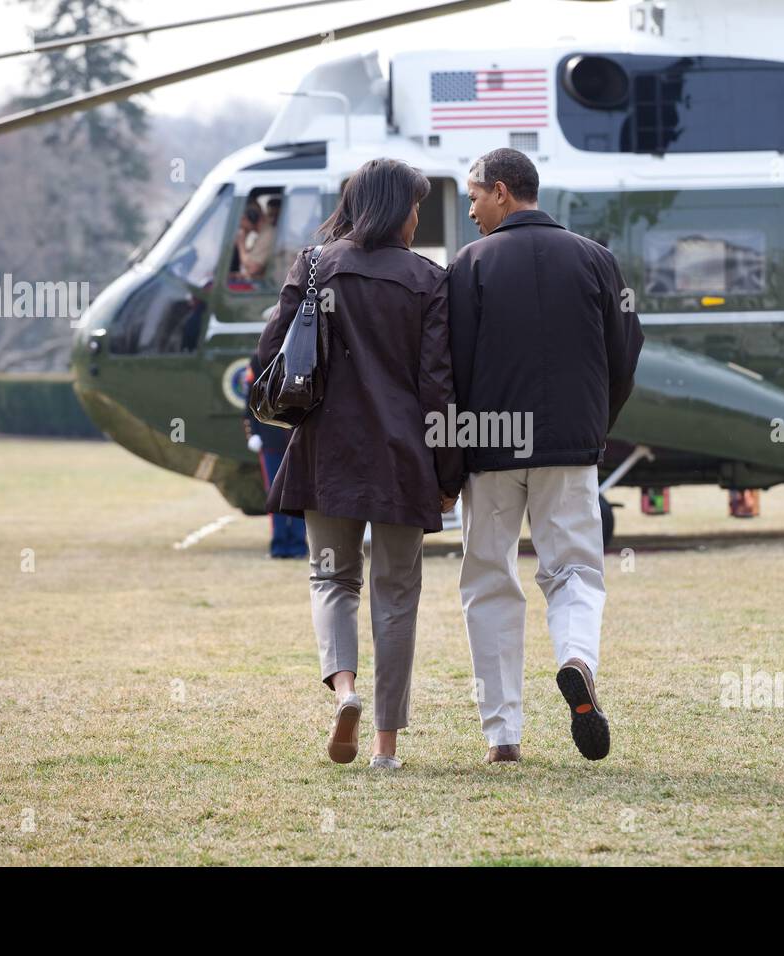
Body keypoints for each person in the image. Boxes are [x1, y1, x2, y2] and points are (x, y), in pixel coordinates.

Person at [254, 158, 464, 770]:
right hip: (403, 459)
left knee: (331, 580)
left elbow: (271, 354)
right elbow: (439, 387)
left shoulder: (315, 265)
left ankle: (344, 691)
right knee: (397, 595)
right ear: (400, 209)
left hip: (326, 456)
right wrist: (447, 474)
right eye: (416, 205)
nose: (417, 216)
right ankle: (385, 748)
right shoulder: (429, 279)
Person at [447, 148, 644, 764]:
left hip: (489, 447)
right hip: (571, 444)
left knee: (489, 583)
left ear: (502, 192)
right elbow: (625, 352)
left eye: (475, 196)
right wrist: (593, 427)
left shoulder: (470, 264)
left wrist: (452, 452)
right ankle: (577, 660)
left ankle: (503, 735)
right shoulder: (597, 260)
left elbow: (450, 366)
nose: (471, 209)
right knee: (576, 571)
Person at [243, 354, 307, 558]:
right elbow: (250, 399)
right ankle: (279, 544)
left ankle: (298, 544)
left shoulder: (305, 353)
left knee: (299, 493)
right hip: (271, 438)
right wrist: (252, 432)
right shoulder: (259, 358)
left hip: (299, 437)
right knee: (274, 493)